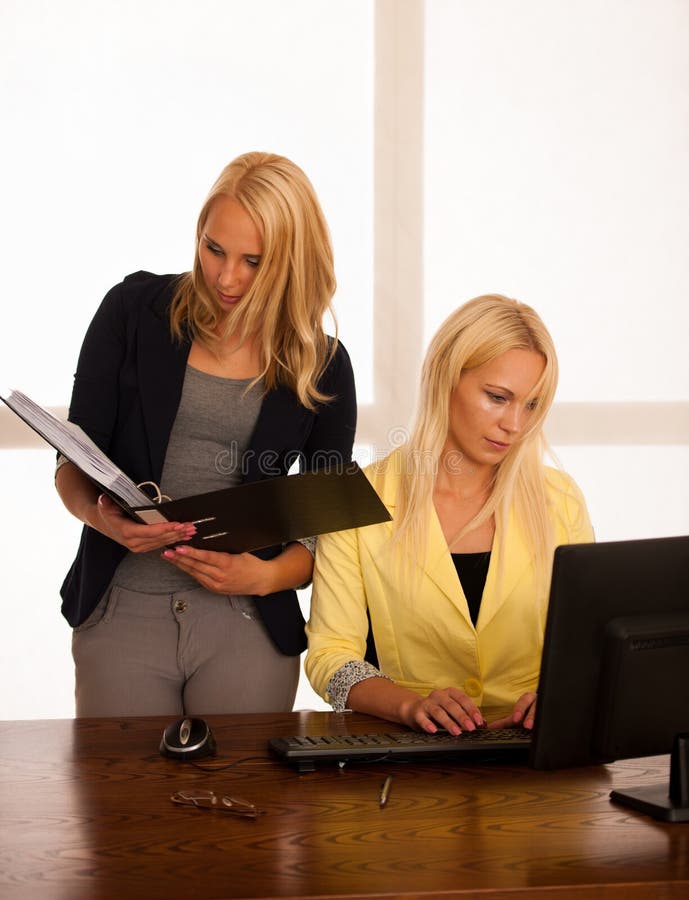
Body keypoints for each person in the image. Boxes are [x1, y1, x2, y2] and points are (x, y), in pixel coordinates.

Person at [56, 151, 356, 717]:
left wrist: (264, 574)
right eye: (213, 248)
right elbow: (72, 462)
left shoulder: (325, 365)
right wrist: (105, 521)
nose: (226, 276)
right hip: (123, 608)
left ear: (291, 262)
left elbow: (326, 536)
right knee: (124, 802)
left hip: (249, 623)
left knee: (238, 802)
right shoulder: (131, 310)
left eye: (253, 261)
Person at [305, 294, 593, 735]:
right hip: (411, 758)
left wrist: (562, 691)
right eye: (498, 397)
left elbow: (586, 643)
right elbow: (330, 656)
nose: (514, 425)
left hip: (538, 752)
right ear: (445, 379)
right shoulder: (356, 500)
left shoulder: (561, 499)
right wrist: (408, 706)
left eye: (531, 404)